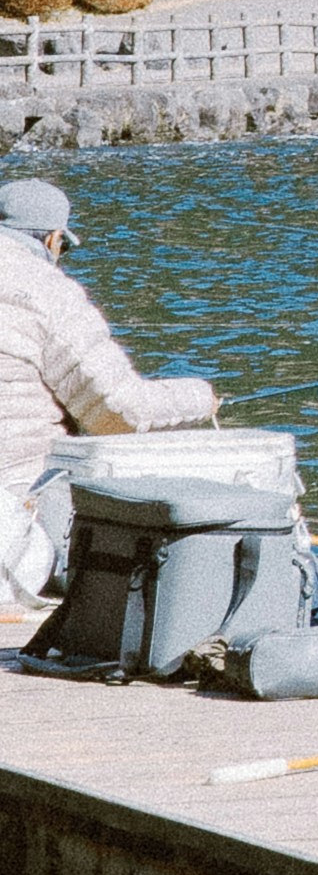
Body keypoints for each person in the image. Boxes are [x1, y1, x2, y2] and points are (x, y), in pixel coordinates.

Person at [0, 176, 219, 612]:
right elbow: (117, 412)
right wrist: (200, 397)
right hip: (17, 504)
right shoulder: (47, 290)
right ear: (53, 239)